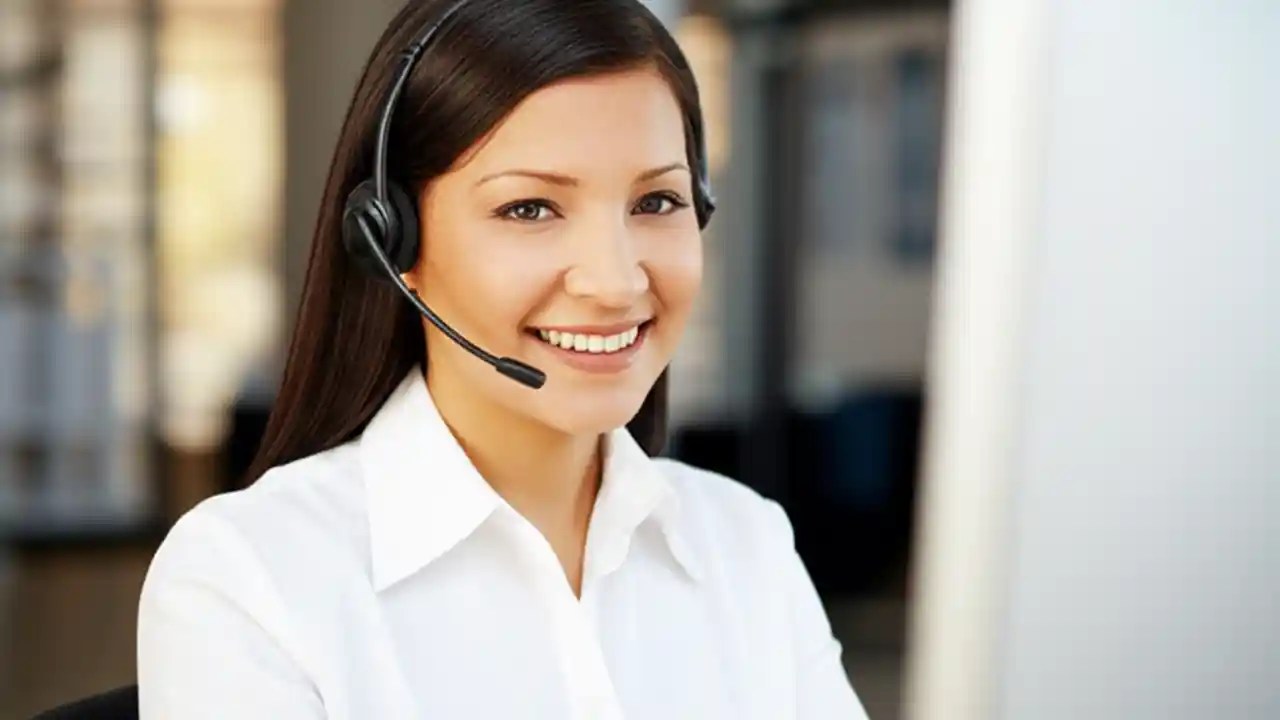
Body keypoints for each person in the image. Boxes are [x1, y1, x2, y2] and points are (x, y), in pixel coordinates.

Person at [136, 1, 869, 717]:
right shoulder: (250, 578)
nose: (615, 281)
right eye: (530, 210)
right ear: (394, 244)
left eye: (656, 203)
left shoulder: (745, 545)